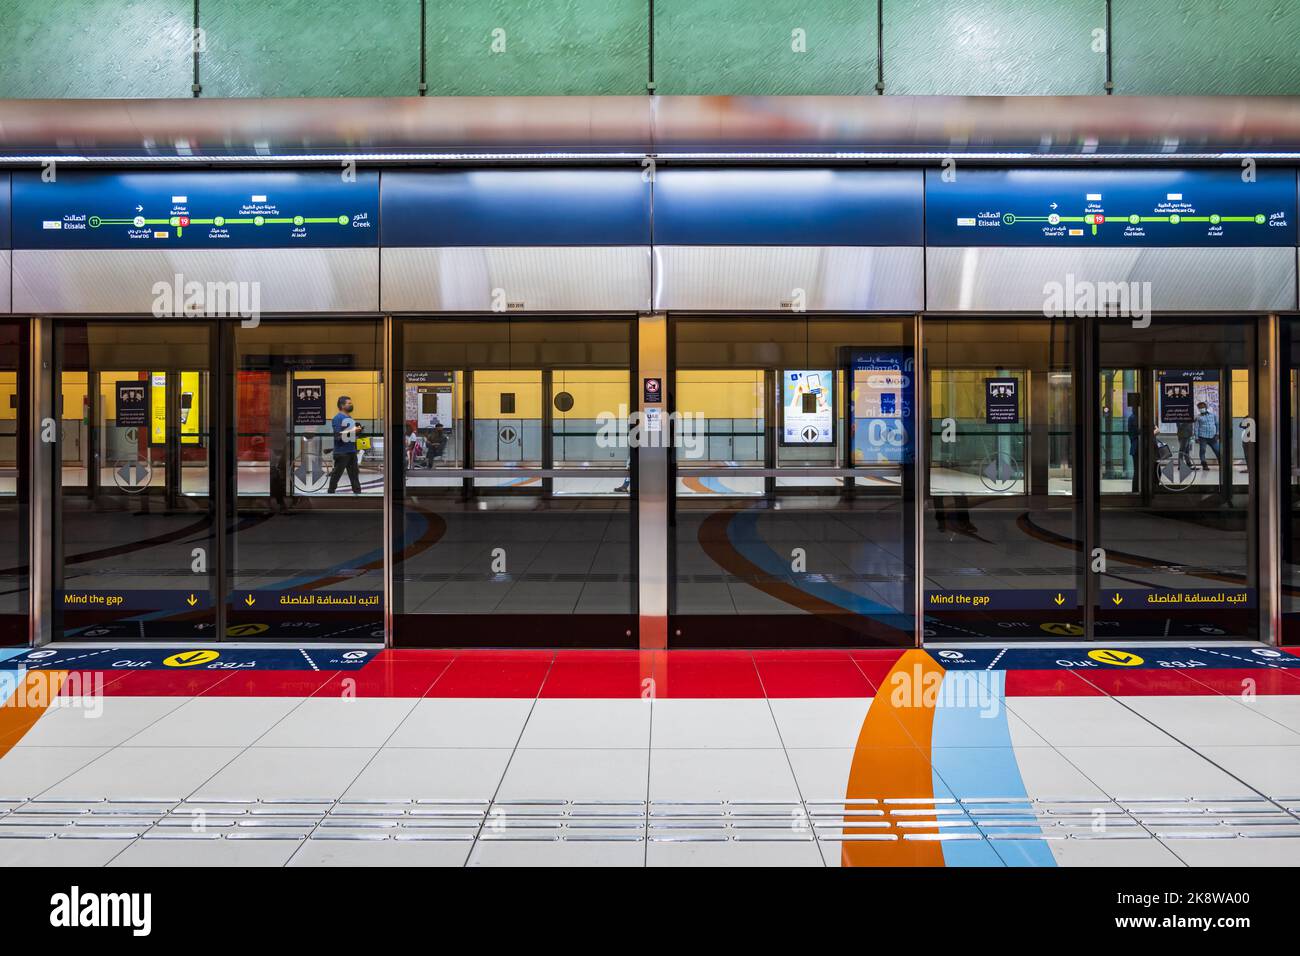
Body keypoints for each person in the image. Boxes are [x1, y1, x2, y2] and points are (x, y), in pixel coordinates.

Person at [328, 395, 363, 494]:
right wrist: (353, 430)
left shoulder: (350, 418)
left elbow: (350, 435)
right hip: (342, 452)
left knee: (354, 475)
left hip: (351, 451)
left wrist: (358, 431)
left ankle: (358, 493)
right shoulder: (337, 418)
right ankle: (330, 492)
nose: (351, 405)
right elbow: (338, 436)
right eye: (349, 403)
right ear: (342, 405)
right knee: (336, 475)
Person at [1194, 401, 1221, 471]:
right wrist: (1196, 437)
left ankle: (1222, 464)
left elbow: (1217, 424)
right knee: (1202, 451)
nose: (1201, 409)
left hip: (1213, 437)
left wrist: (1217, 434)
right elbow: (1196, 428)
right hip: (1203, 437)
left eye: (1202, 407)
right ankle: (1204, 465)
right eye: (1199, 408)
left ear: (1206, 407)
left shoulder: (1213, 415)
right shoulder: (1198, 417)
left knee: (1218, 451)